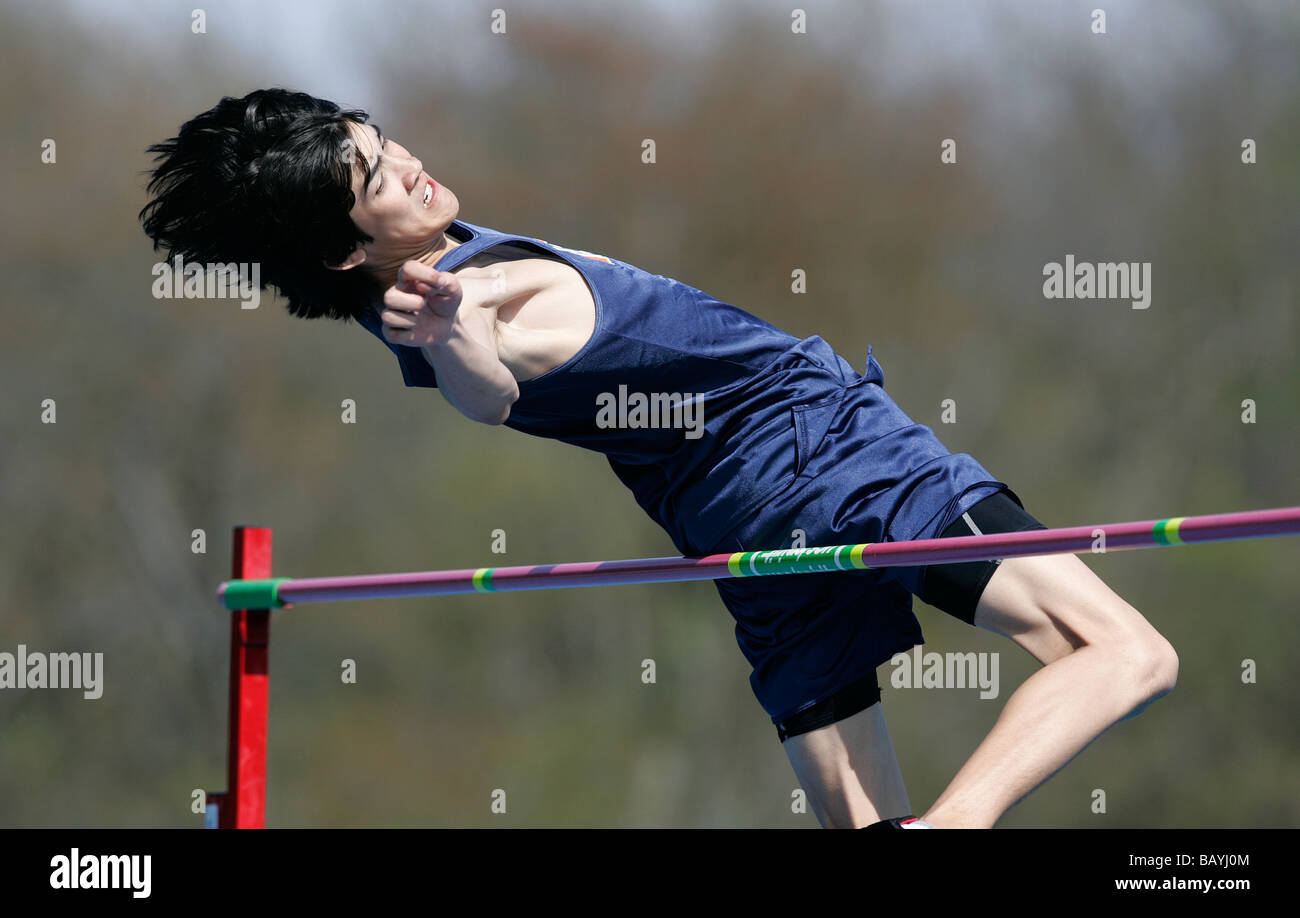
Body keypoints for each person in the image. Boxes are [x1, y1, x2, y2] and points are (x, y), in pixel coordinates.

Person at [139, 88, 1178, 828]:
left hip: (738, 531)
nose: (408, 161)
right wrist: (451, 327)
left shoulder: (378, 293)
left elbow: (467, 360)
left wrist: (434, 315)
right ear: (340, 246)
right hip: (841, 460)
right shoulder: (450, 297)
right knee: (1124, 653)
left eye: (383, 139)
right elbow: (485, 391)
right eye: (375, 173)